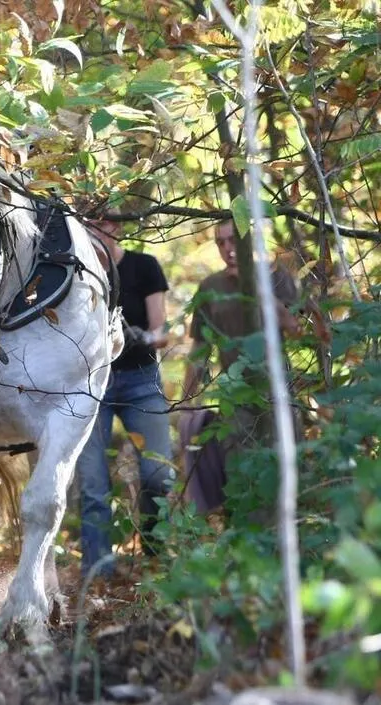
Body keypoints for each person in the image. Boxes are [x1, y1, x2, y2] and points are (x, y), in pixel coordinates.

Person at [179, 220, 301, 513]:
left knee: (288, 465)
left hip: (278, 390)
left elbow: (295, 327)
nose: (227, 249)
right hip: (235, 396)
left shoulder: (276, 277)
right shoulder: (210, 287)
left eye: (233, 240)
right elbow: (200, 349)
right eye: (220, 243)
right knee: (239, 472)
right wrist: (185, 402)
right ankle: (245, 543)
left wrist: (255, 285)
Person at [77, 213, 174, 578]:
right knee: (93, 484)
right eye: (90, 223)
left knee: (158, 474)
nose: (98, 230)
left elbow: (160, 331)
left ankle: (155, 555)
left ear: (117, 226)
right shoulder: (77, 274)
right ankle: (98, 574)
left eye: (105, 222)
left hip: (140, 380)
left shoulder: (143, 266)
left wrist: (140, 337)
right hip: (92, 385)